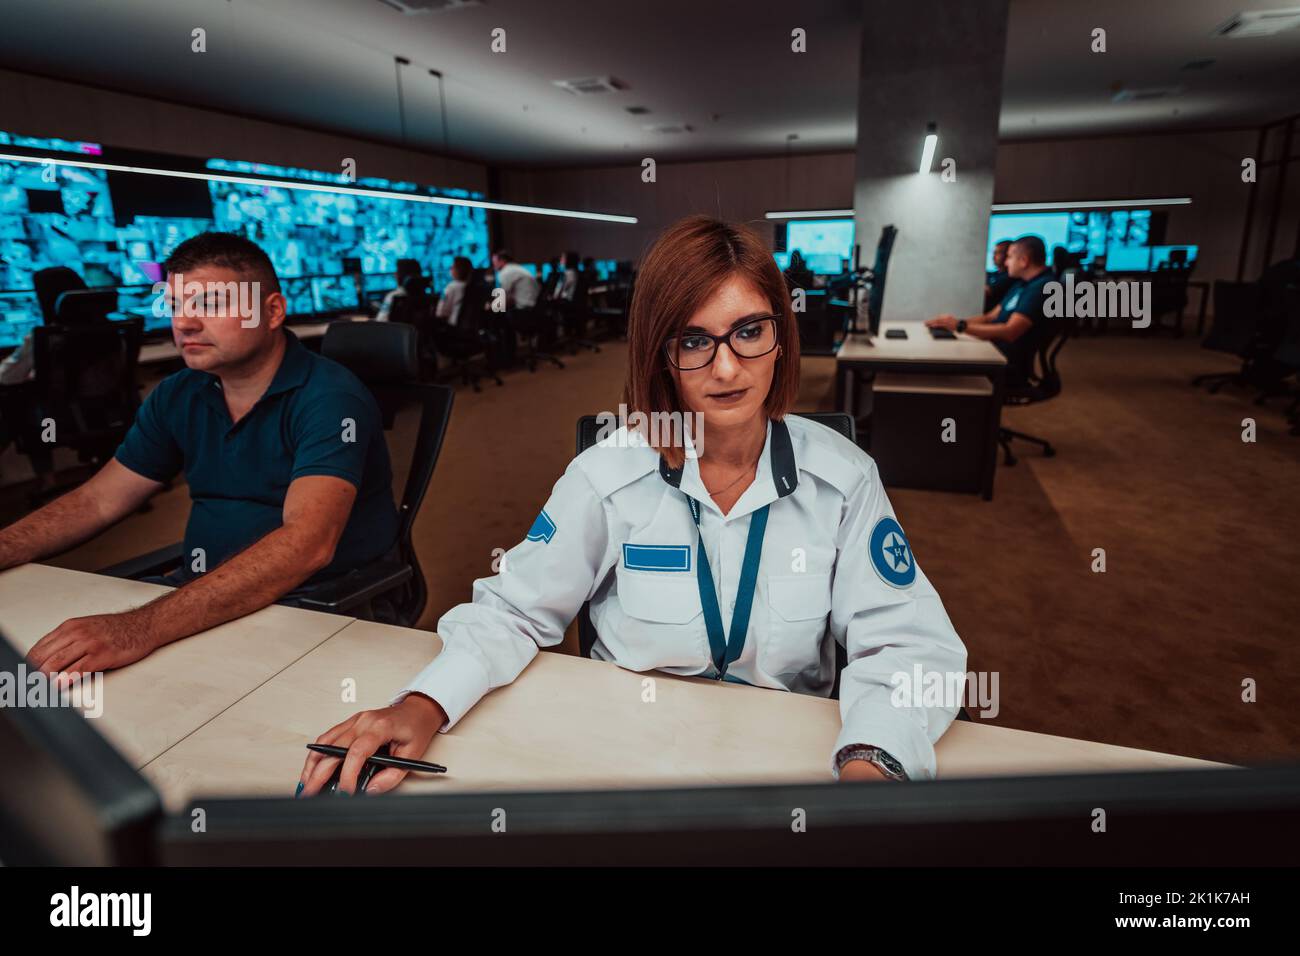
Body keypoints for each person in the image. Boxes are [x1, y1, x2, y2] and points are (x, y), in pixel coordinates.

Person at [299, 215, 966, 796]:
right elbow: (514, 609)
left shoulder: (844, 479)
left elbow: (906, 644)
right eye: (694, 341)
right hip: (626, 753)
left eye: (749, 332)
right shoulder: (607, 474)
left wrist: (870, 767)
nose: (727, 369)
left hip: (789, 760)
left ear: (782, 338)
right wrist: (422, 704)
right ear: (661, 357)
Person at [2, 232, 400, 678]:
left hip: (318, 604)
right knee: (34, 667)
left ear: (271, 311)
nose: (184, 324)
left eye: (210, 304)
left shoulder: (329, 398)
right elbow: (99, 499)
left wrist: (140, 628)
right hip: (203, 596)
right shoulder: (180, 393)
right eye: (175, 305)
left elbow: (306, 546)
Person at [928, 234, 1054, 385]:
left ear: (1024, 260)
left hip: (1006, 363)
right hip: (993, 349)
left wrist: (960, 326)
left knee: (941, 365)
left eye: (1009, 257)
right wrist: (953, 324)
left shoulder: (1041, 288)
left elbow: (1010, 332)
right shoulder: (1022, 284)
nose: (1006, 263)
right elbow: (990, 317)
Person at [435, 256, 472, 326]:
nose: (450, 269)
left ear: (457, 269)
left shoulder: (450, 287)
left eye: (452, 267)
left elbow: (440, 313)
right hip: (470, 330)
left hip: (453, 329)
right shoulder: (473, 288)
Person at [984, 239, 1014, 311]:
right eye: (994, 252)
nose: (994, 256)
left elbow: (986, 291)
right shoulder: (991, 274)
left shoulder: (1010, 277)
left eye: (998, 253)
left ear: (1008, 255)